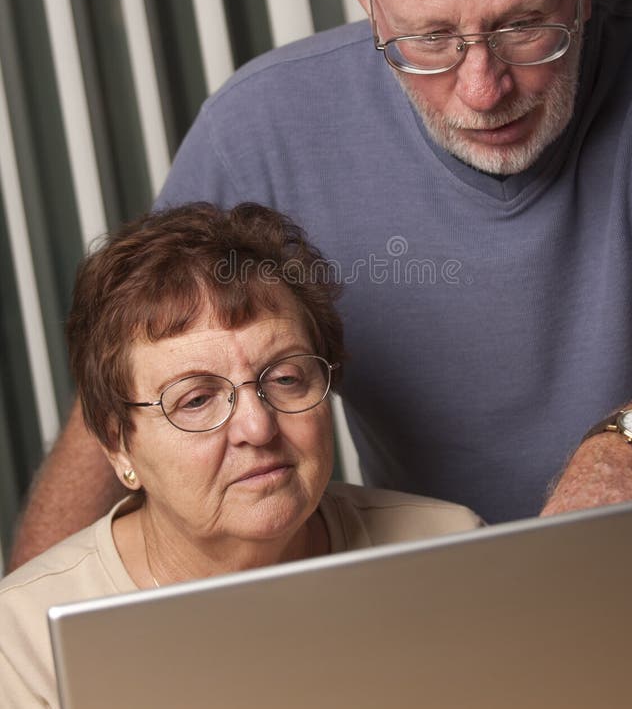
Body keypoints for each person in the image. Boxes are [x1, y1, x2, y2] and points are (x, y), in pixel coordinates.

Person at [9, 0, 632, 568]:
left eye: (523, 26)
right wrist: (27, 617)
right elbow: (133, 389)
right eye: (429, 38)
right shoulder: (263, 130)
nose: (481, 90)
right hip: (442, 594)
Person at [0, 202, 481, 707]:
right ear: (118, 443)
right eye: (196, 400)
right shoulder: (24, 644)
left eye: (286, 377)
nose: (258, 427)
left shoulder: (453, 552)